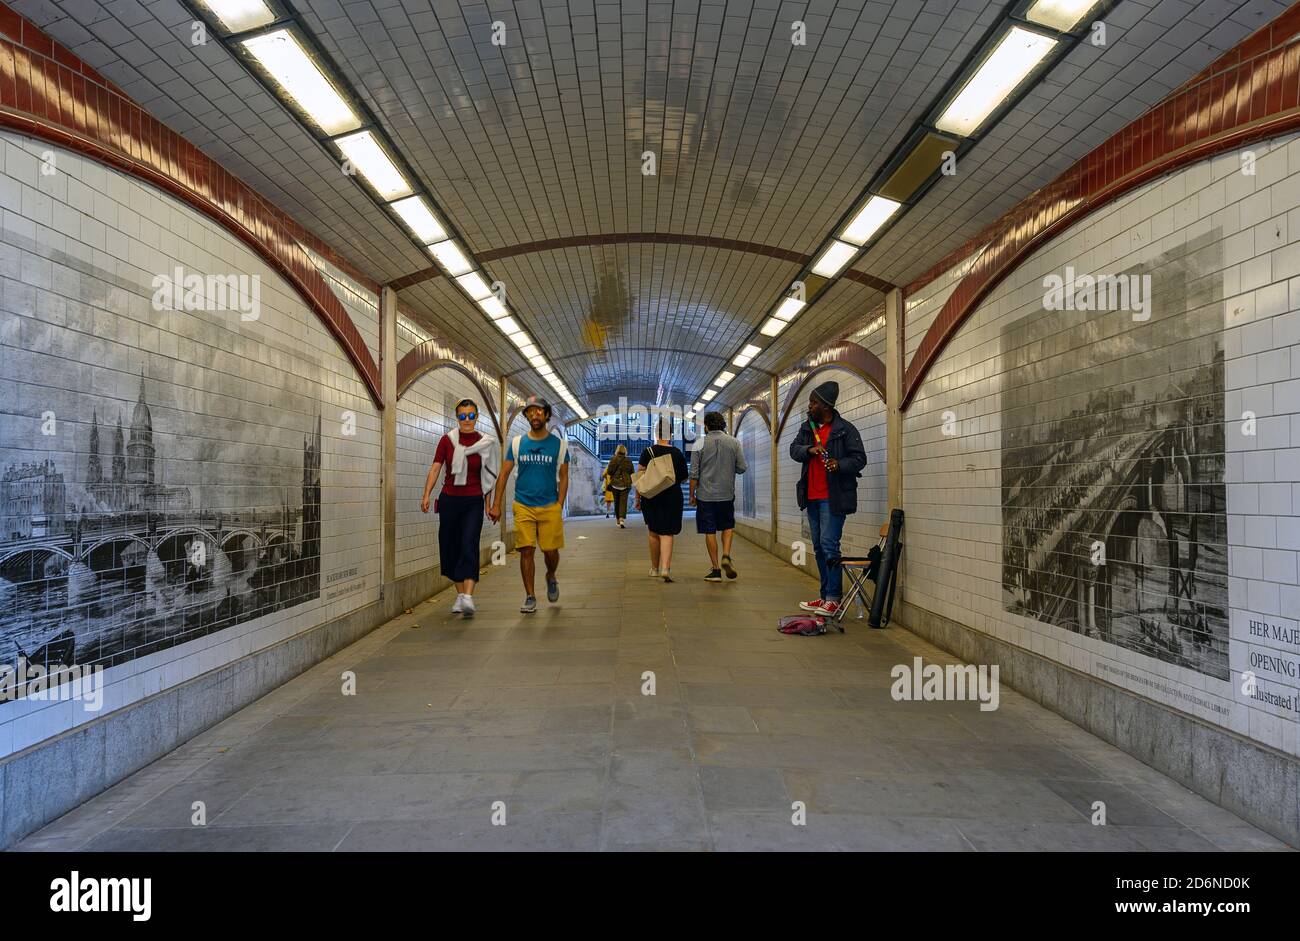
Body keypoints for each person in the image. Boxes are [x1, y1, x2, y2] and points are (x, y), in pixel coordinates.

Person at [789, 380, 867, 617]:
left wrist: (838, 464)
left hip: (833, 498)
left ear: (825, 405)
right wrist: (809, 450)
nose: (810, 406)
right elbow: (794, 450)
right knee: (820, 548)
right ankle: (825, 597)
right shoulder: (807, 428)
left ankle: (834, 598)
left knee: (830, 546)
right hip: (811, 497)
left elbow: (859, 459)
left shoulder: (845, 430)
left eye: (813, 402)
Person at [489, 398, 570, 613]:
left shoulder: (559, 445)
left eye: (539, 411)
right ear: (526, 416)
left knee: (550, 551)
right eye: (530, 412)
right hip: (523, 504)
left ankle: (551, 575)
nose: (535, 415)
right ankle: (530, 596)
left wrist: (559, 504)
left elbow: (564, 477)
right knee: (526, 550)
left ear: (546, 415)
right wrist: (496, 504)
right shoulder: (517, 443)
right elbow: (504, 473)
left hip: (549, 505)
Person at [420, 398, 499, 618]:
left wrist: (489, 505)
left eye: (471, 416)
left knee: (469, 544)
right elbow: (436, 468)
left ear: (477, 417)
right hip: (449, 500)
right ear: (457, 418)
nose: (467, 420)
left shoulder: (485, 442)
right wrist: (427, 494)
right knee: (450, 548)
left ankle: (468, 596)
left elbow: (488, 477)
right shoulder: (447, 441)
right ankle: (460, 594)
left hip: (473, 500)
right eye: (463, 416)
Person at [689, 411, 747, 582]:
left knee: (709, 530)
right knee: (727, 526)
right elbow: (742, 467)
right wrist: (729, 467)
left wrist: (692, 495)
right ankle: (726, 555)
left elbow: (694, 474)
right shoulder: (734, 442)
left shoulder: (699, 443)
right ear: (723, 425)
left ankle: (715, 570)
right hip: (726, 494)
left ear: (706, 426)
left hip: (705, 496)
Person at [635, 415, 688, 582]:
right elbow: (683, 478)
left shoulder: (647, 452)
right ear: (670, 434)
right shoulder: (677, 453)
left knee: (653, 532)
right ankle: (666, 567)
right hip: (672, 497)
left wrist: (638, 499)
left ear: (656, 434)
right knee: (668, 533)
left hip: (651, 497)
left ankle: (654, 568)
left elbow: (640, 478)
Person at [604, 444, 634, 527]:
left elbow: (609, 471)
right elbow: (632, 472)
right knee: (623, 502)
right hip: (625, 484)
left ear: (617, 450)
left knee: (617, 502)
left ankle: (617, 519)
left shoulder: (613, 459)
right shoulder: (628, 460)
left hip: (615, 484)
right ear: (625, 451)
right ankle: (621, 519)